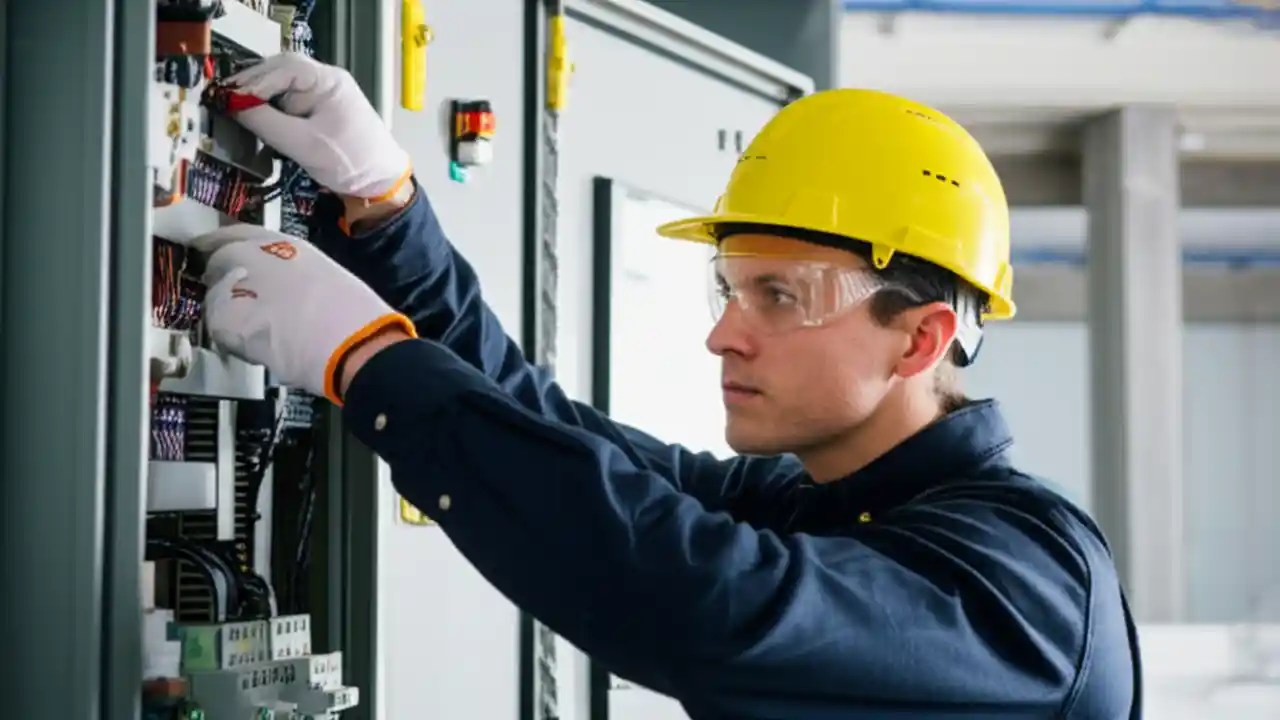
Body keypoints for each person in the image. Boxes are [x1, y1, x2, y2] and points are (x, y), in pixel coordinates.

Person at [195, 54, 1142, 719]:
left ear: (920, 338)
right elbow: (554, 433)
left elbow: (708, 605)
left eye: (781, 296)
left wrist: (369, 364)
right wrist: (386, 207)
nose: (723, 334)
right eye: (731, 290)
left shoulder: (1024, 588)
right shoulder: (829, 504)